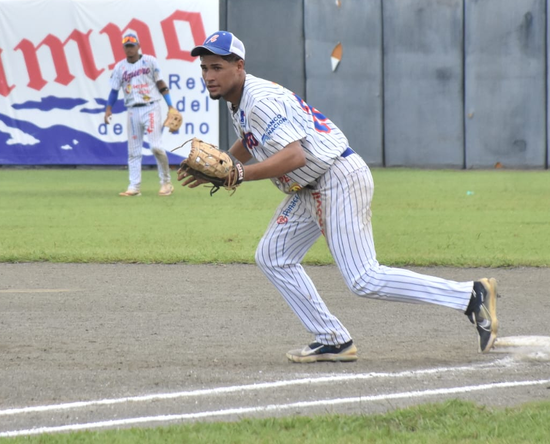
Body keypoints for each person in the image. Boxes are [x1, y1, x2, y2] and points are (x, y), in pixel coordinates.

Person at [180, 30, 499, 363]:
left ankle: (470, 295)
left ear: (239, 66)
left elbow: (294, 157)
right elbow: (250, 141)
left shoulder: (259, 100)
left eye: (216, 67)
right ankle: (332, 339)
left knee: (364, 278)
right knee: (272, 255)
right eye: (204, 68)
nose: (208, 76)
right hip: (309, 187)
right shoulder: (241, 99)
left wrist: (240, 173)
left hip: (337, 178)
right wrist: (226, 162)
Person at [103, 33, 175, 197]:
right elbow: (114, 91)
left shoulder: (150, 61)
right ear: (123, 48)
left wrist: (170, 105)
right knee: (133, 151)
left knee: (156, 146)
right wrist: (108, 109)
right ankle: (134, 187)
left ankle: (166, 183)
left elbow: (160, 83)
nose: (130, 49)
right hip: (132, 110)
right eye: (127, 46)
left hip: (151, 107)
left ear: (138, 46)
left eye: (132, 45)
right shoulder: (120, 67)